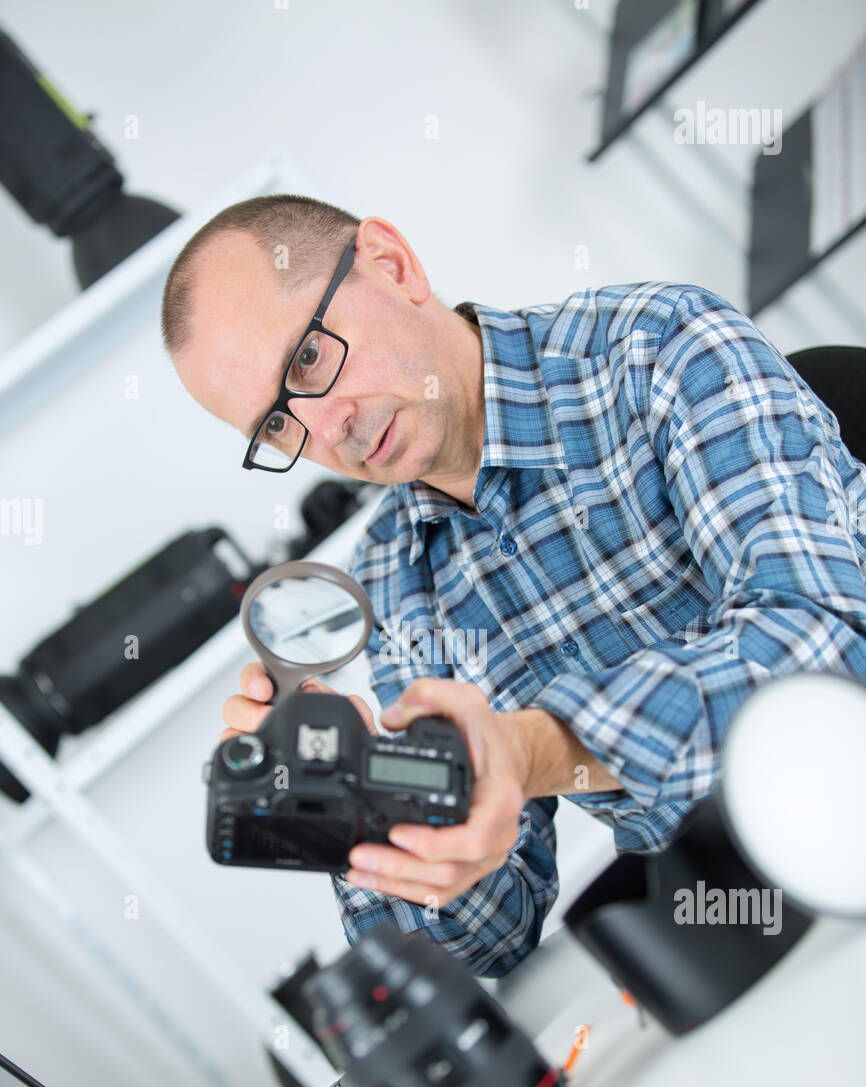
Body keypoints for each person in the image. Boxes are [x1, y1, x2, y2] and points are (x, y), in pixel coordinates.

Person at [161, 194, 866, 977]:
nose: (328, 428)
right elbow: (492, 937)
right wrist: (362, 804)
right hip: (734, 929)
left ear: (392, 265)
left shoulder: (657, 348)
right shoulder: (395, 574)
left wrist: (532, 749)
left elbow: (822, 641)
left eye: (308, 360)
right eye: (276, 426)